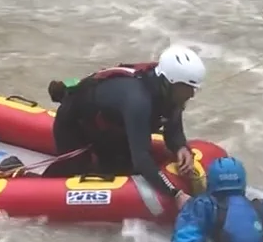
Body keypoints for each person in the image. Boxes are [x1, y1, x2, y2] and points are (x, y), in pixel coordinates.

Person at [44, 45, 205, 212]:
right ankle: (22, 175)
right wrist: (176, 194)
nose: (192, 94)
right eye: (188, 88)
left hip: (114, 130)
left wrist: (180, 147)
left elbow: (172, 126)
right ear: (171, 82)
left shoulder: (168, 93)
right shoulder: (138, 101)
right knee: (76, 179)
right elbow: (141, 158)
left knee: (123, 171)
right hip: (75, 124)